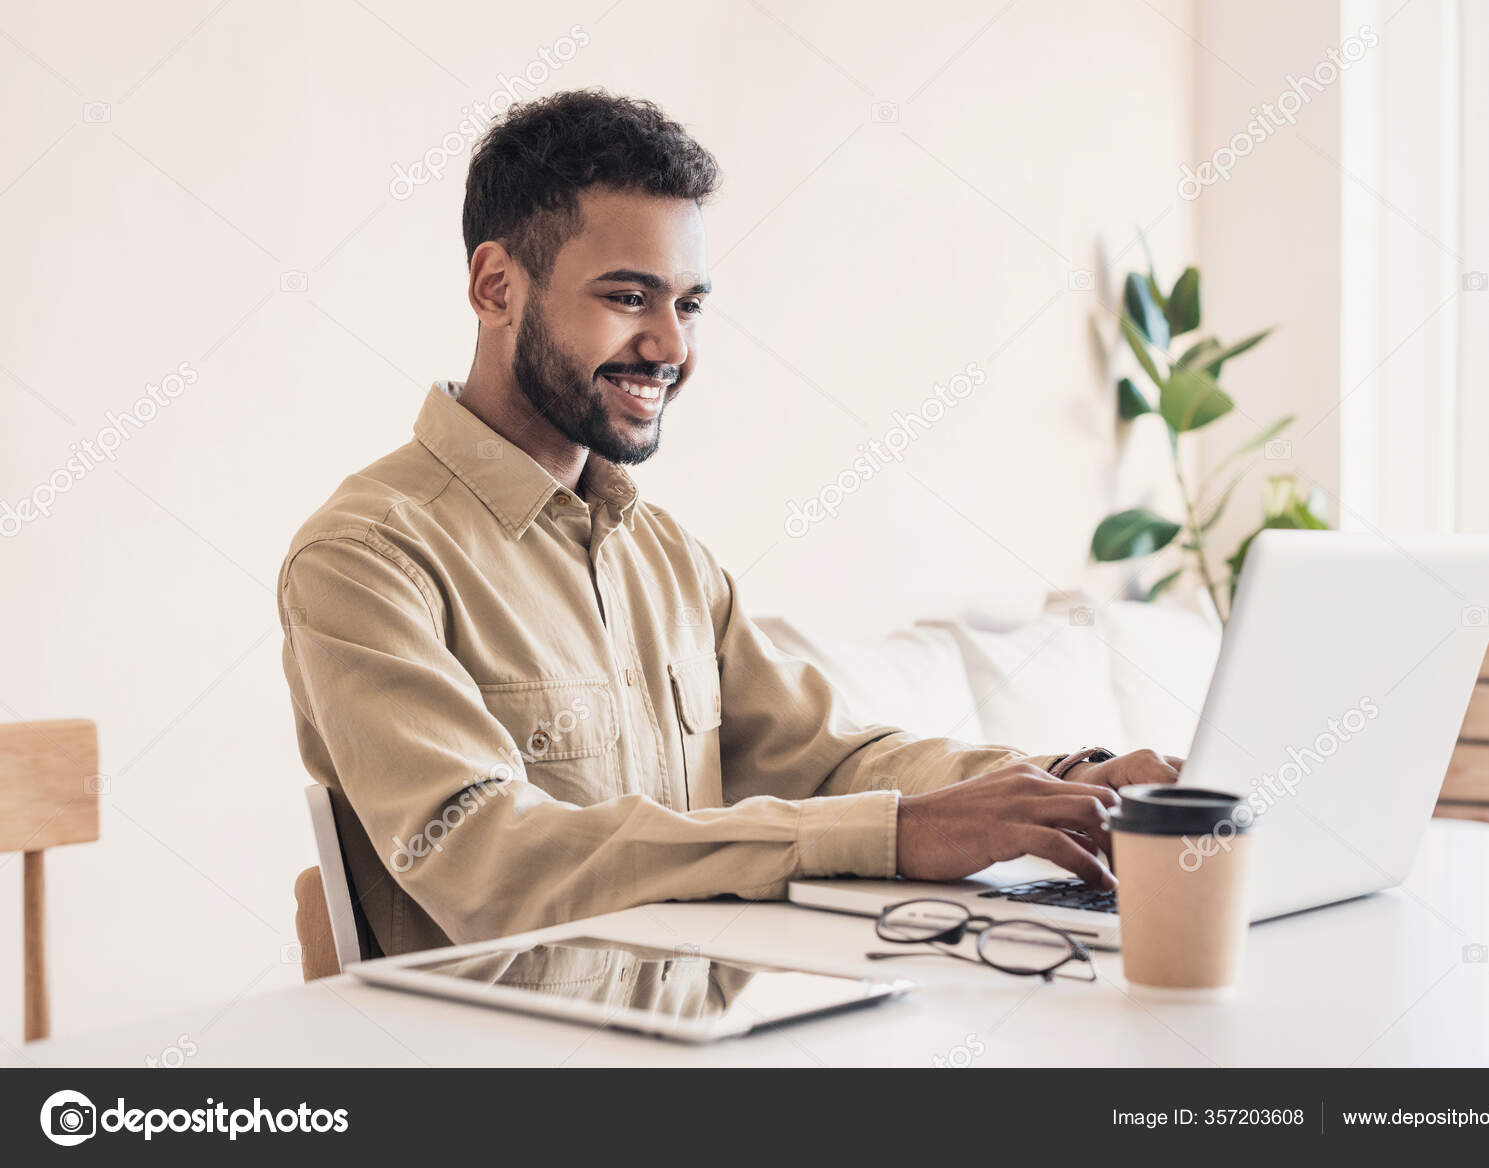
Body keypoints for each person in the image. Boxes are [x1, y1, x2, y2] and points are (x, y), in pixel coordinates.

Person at [277, 89, 1181, 957]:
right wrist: (892, 835)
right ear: (495, 286)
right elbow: (487, 859)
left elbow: (823, 762)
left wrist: (1054, 786)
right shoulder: (364, 558)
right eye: (629, 298)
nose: (672, 347)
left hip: (715, 1030)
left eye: (689, 304)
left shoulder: (665, 555)